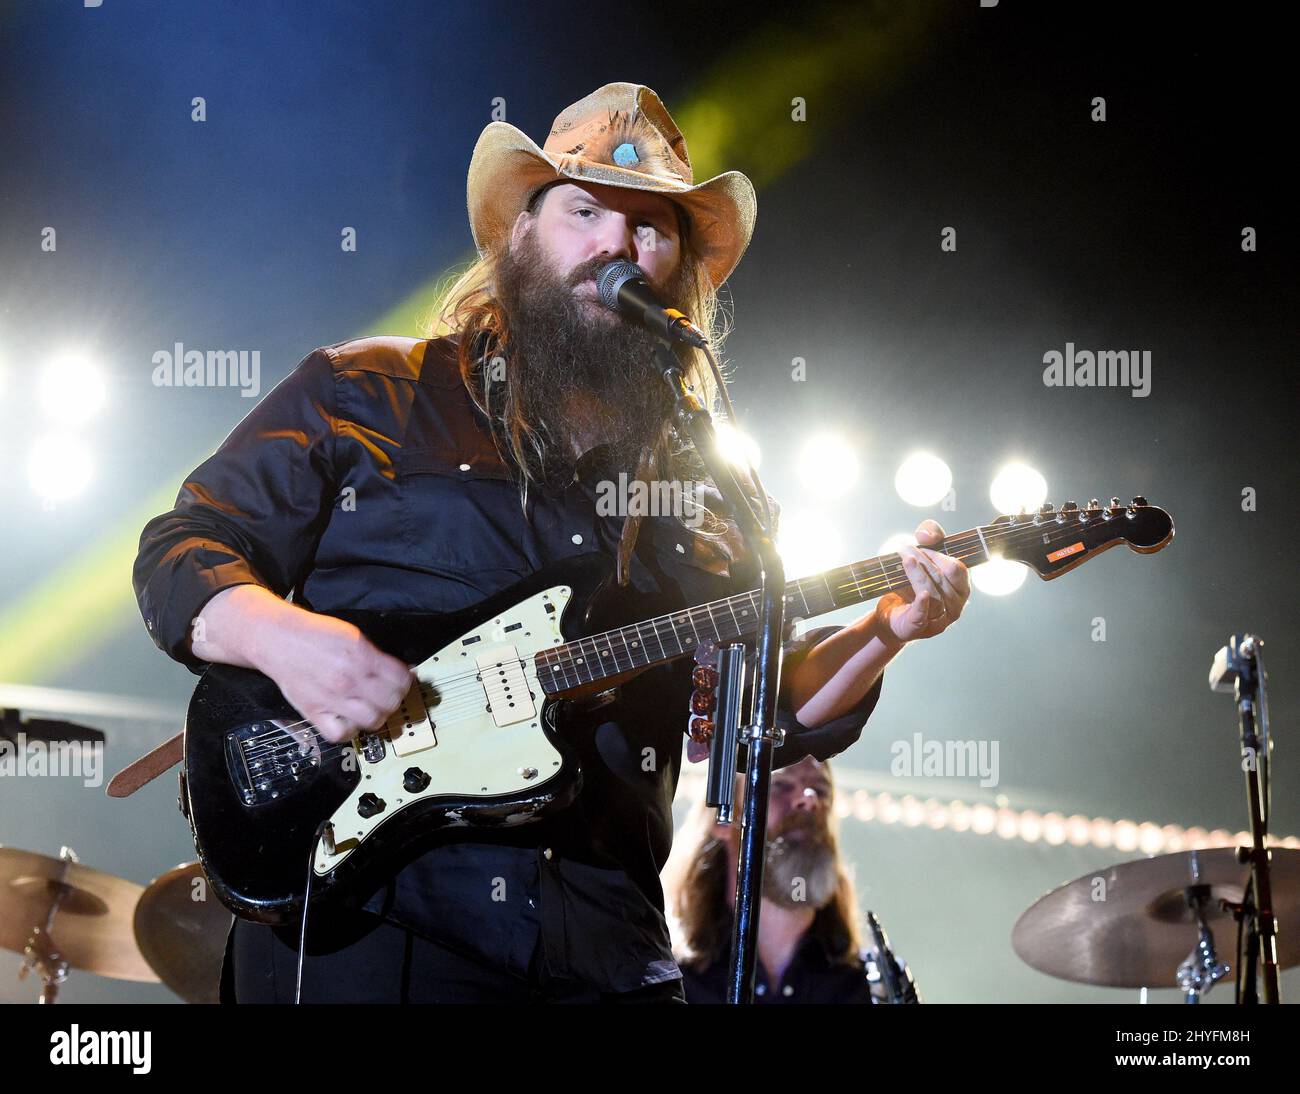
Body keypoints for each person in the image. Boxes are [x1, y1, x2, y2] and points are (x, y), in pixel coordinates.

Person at [132, 82, 970, 1003]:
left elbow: (762, 713)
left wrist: (888, 628)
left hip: (604, 949)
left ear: (680, 272)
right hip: (381, 921)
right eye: (584, 211)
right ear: (519, 233)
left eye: (651, 228)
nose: (616, 244)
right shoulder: (370, 392)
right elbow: (185, 547)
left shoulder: (707, 483)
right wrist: (283, 638)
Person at [665, 757, 918, 1004]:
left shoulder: (874, 987)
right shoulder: (672, 984)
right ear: (724, 816)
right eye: (781, 786)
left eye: (820, 790)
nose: (808, 799)